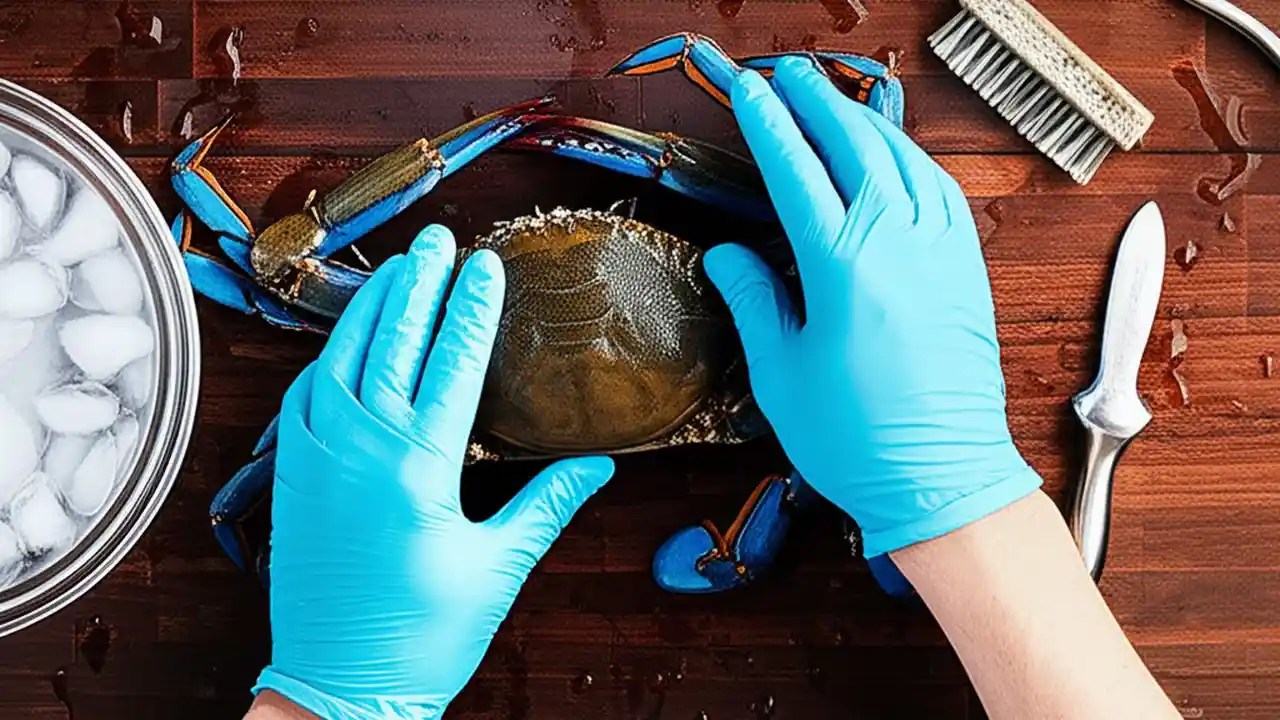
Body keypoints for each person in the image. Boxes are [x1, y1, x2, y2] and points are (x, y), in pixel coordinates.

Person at [241, 58, 1180, 720]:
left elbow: (280, 267)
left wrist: (323, 700)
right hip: (728, 420)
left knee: (321, 378)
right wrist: (969, 514)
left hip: (450, 469)